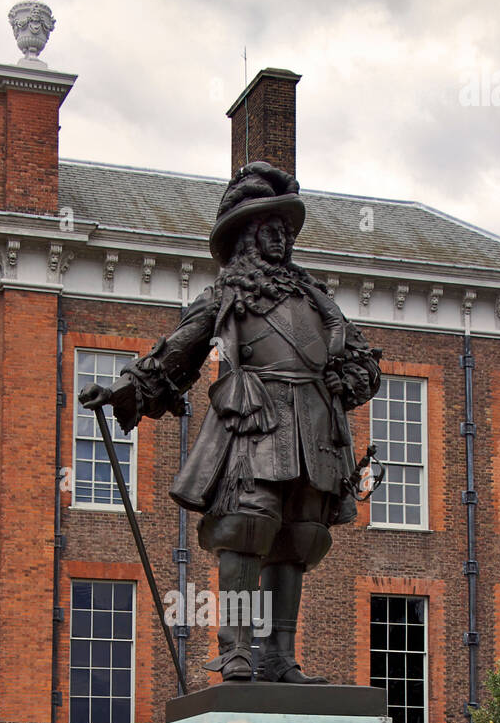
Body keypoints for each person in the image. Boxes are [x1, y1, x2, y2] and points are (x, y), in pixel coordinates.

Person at [79, 161, 381, 683]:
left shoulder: (317, 301)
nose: (281, 239)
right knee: (247, 527)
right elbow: (179, 350)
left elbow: (363, 361)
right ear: (246, 236)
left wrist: (349, 381)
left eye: (285, 231)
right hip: (256, 419)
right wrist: (126, 389)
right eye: (270, 229)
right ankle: (236, 648)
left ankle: (280, 656)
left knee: (300, 537)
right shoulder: (228, 296)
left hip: (315, 427)